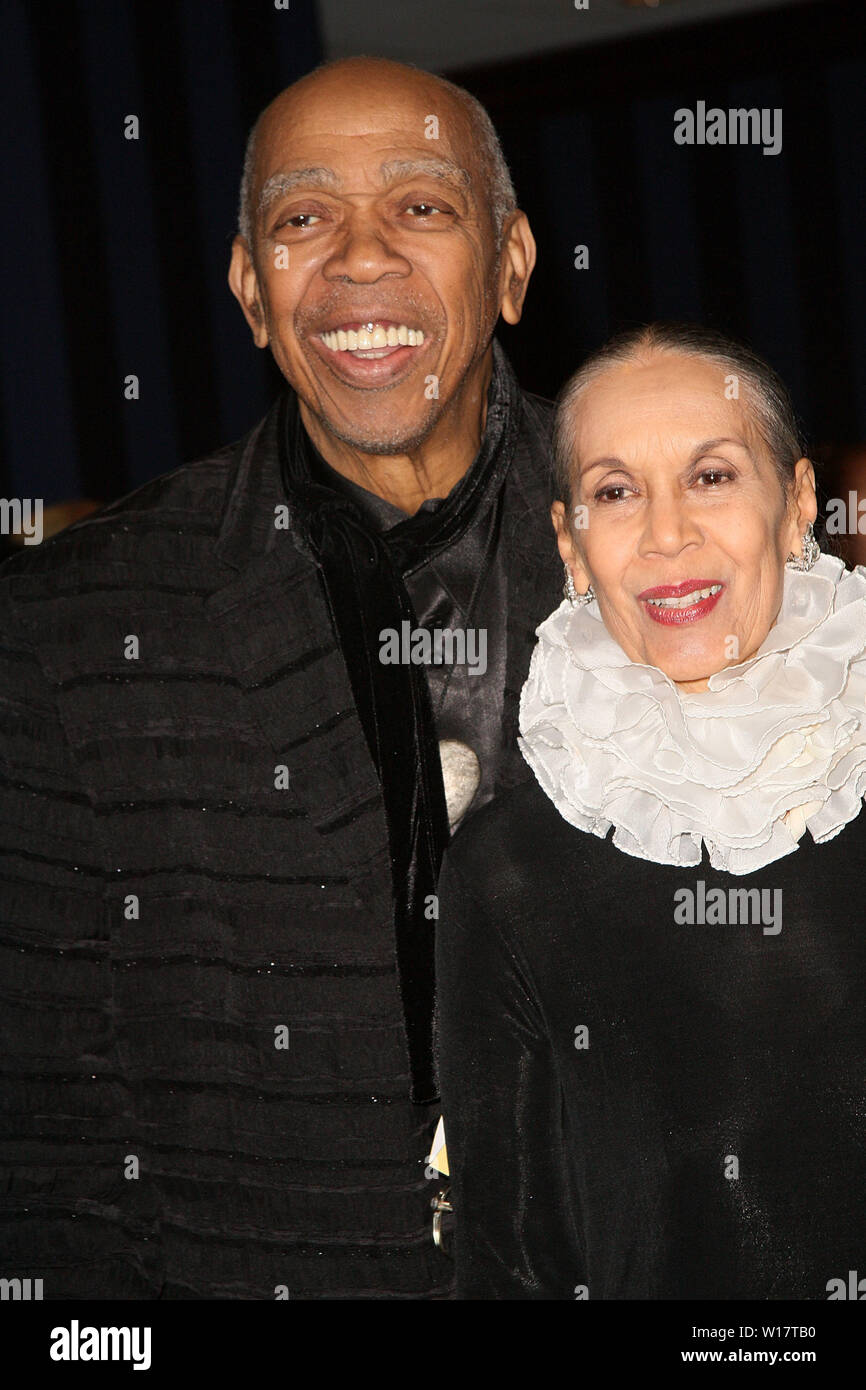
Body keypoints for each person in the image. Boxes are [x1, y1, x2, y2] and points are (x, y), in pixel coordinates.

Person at [0, 57, 561, 1300]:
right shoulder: (70, 626)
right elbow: (43, 1136)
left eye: (420, 205)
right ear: (253, 290)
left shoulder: (678, 559)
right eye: (303, 218)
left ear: (513, 262)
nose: (360, 258)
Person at [436, 323, 866, 1300]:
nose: (666, 533)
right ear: (570, 544)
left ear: (796, 503)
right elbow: (506, 1270)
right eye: (614, 491)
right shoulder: (506, 873)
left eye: (710, 476)